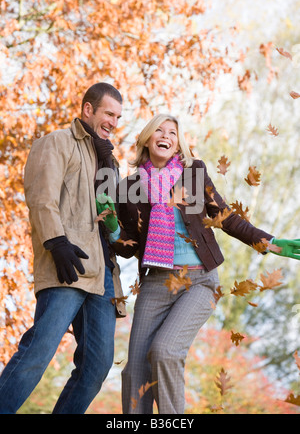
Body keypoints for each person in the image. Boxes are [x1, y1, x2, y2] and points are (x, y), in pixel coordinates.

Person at [111, 113, 300, 414]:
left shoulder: (194, 173)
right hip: (155, 283)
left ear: (178, 143)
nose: (166, 136)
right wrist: (111, 227)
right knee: (134, 372)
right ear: (147, 138)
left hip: (199, 282)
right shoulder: (128, 187)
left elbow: (224, 216)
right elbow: (129, 243)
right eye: (159, 130)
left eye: (173, 132)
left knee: (165, 351)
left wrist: (268, 242)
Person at [0, 82, 125, 414]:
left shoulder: (111, 163)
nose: (113, 122)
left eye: (118, 117)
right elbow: (41, 197)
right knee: (38, 353)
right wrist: (56, 242)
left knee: (97, 366)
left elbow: (111, 216)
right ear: (88, 109)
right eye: (108, 113)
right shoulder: (57, 142)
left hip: (104, 275)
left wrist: (120, 234)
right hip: (68, 261)